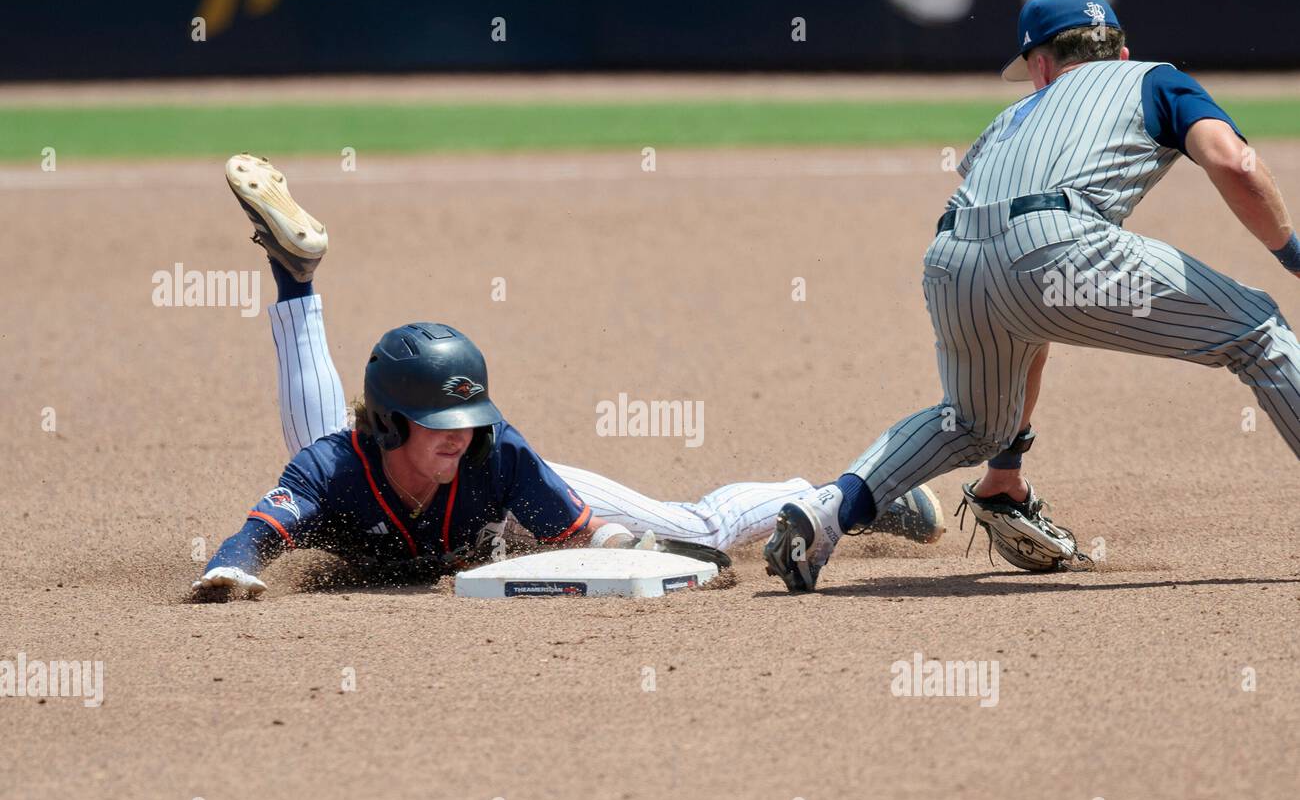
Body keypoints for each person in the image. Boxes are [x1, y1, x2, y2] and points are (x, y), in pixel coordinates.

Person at [192, 155, 946, 599]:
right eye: (443, 425)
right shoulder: (331, 467)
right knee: (322, 448)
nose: (464, 437)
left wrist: (638, 553)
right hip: (355, 476)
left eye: (470, 420)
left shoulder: (500, 455)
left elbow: (592, 532)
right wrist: (231, 573)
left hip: (509, 520)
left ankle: (841, 499)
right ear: (389, 425)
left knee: (701, 527)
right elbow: (253, 539)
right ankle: (294, 280)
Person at [764, 0, 1300, 592]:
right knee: (1258, 333)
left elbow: (1025, 298)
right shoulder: (1156, 79)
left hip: (951, 259)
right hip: (1058, 242)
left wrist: (1007, 462)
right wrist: (1290, 251)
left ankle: (829, 511)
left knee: (970, 423)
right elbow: (1236, 164)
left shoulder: (1010, 120)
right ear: (1122, 51)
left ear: (1040, 65)